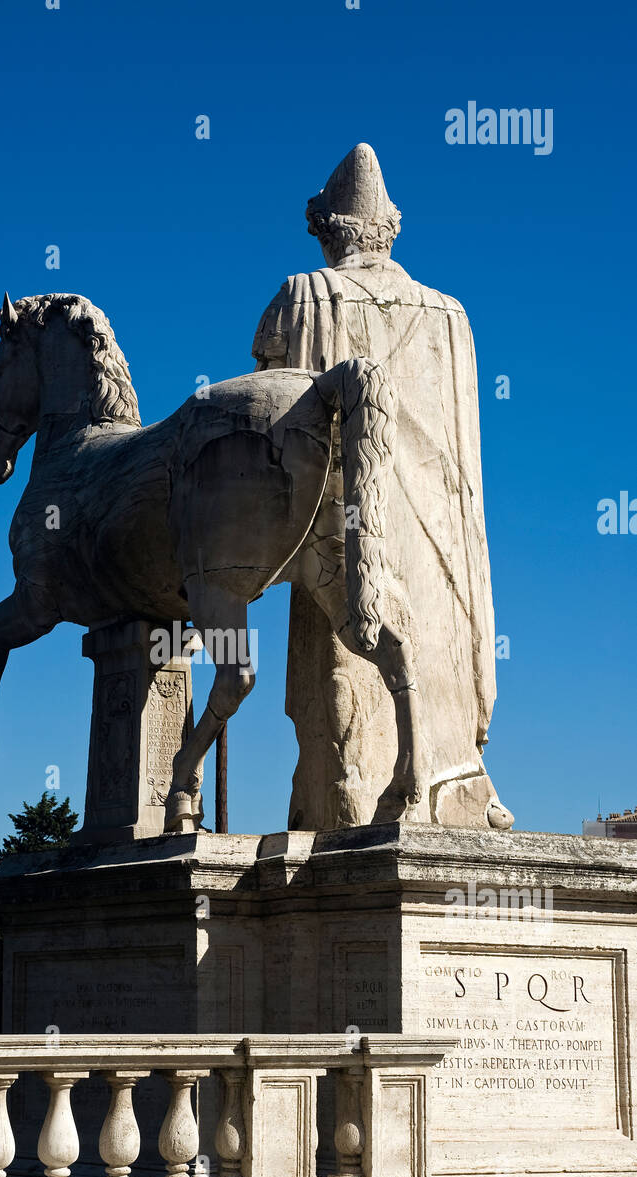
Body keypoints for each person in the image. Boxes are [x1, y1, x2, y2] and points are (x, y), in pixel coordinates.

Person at [253, 144, 512, 830]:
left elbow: (263, 419)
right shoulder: (450, 314)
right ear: (387, 227)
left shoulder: (301, 296)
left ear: (323, 227)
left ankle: (354, 795)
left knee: (344, 686)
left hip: (341, 529)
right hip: (437, 543)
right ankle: (445, 783)